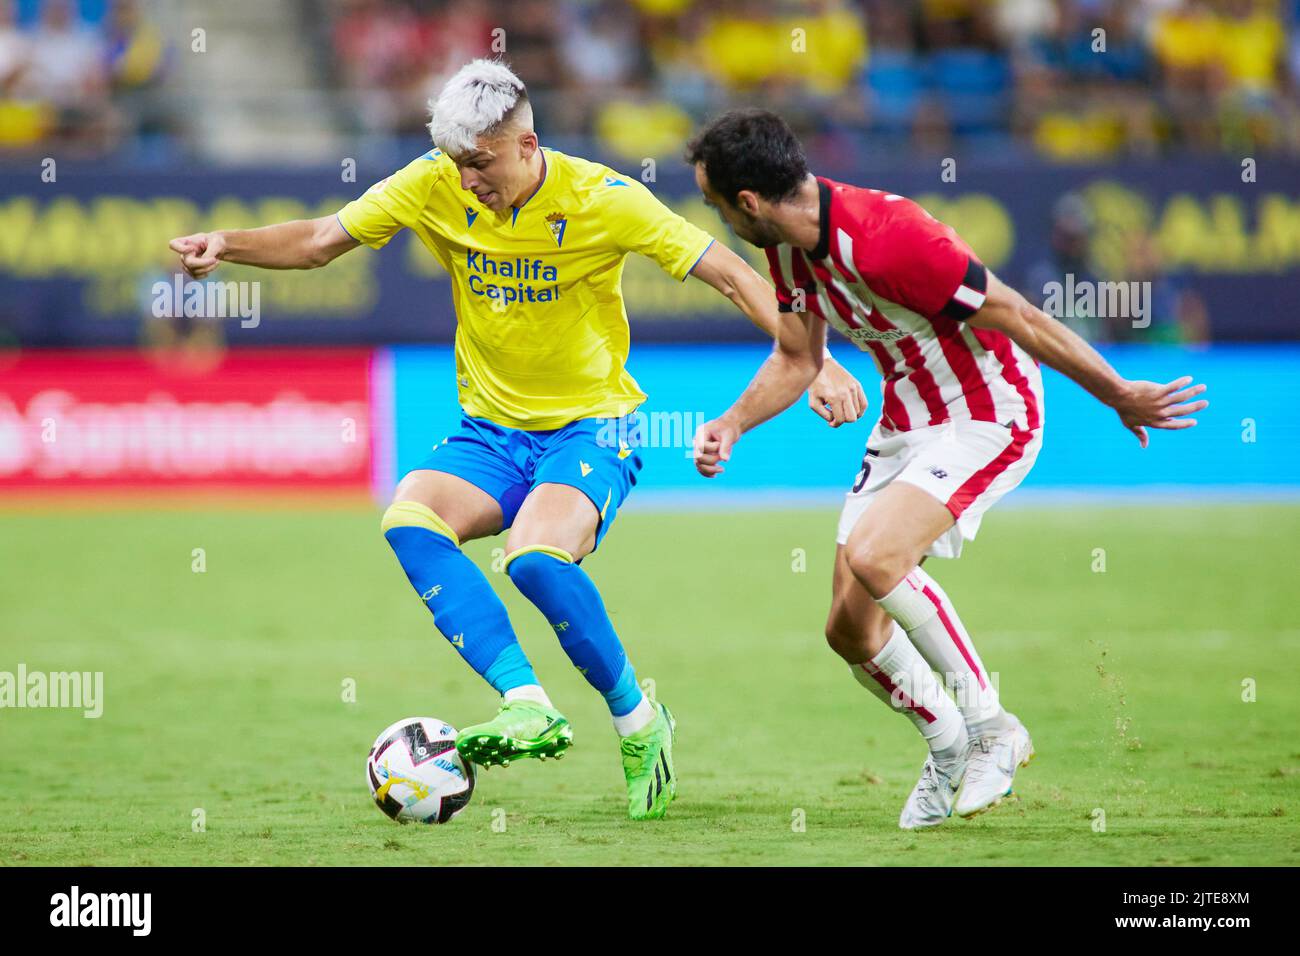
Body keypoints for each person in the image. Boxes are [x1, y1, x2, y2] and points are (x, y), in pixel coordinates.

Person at [169, 61, 853, 820]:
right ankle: (527, 702)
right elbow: (322, 241)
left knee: (533, 558)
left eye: (482, 165)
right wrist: (226, 244)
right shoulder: (432, 181)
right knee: (409, 520)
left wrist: (808, 360)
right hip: (489, 431)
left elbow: (727, 270)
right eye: (458, 165)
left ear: (527, 145)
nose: (467, 183)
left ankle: (638, 721)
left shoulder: (603, 199)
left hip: (594, 427)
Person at [685, 108, 1207, 828]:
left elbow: (1018, 314)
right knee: (848, 629)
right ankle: (948, 745)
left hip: (989, 409)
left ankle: (991, 724)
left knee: (877, 555)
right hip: (908, 420)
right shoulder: (785, 247)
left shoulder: (889, 237)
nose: (714, 217)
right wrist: (732, 424)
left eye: (714, 202)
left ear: (748, 202)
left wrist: (1117, 392)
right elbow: (798, 357)